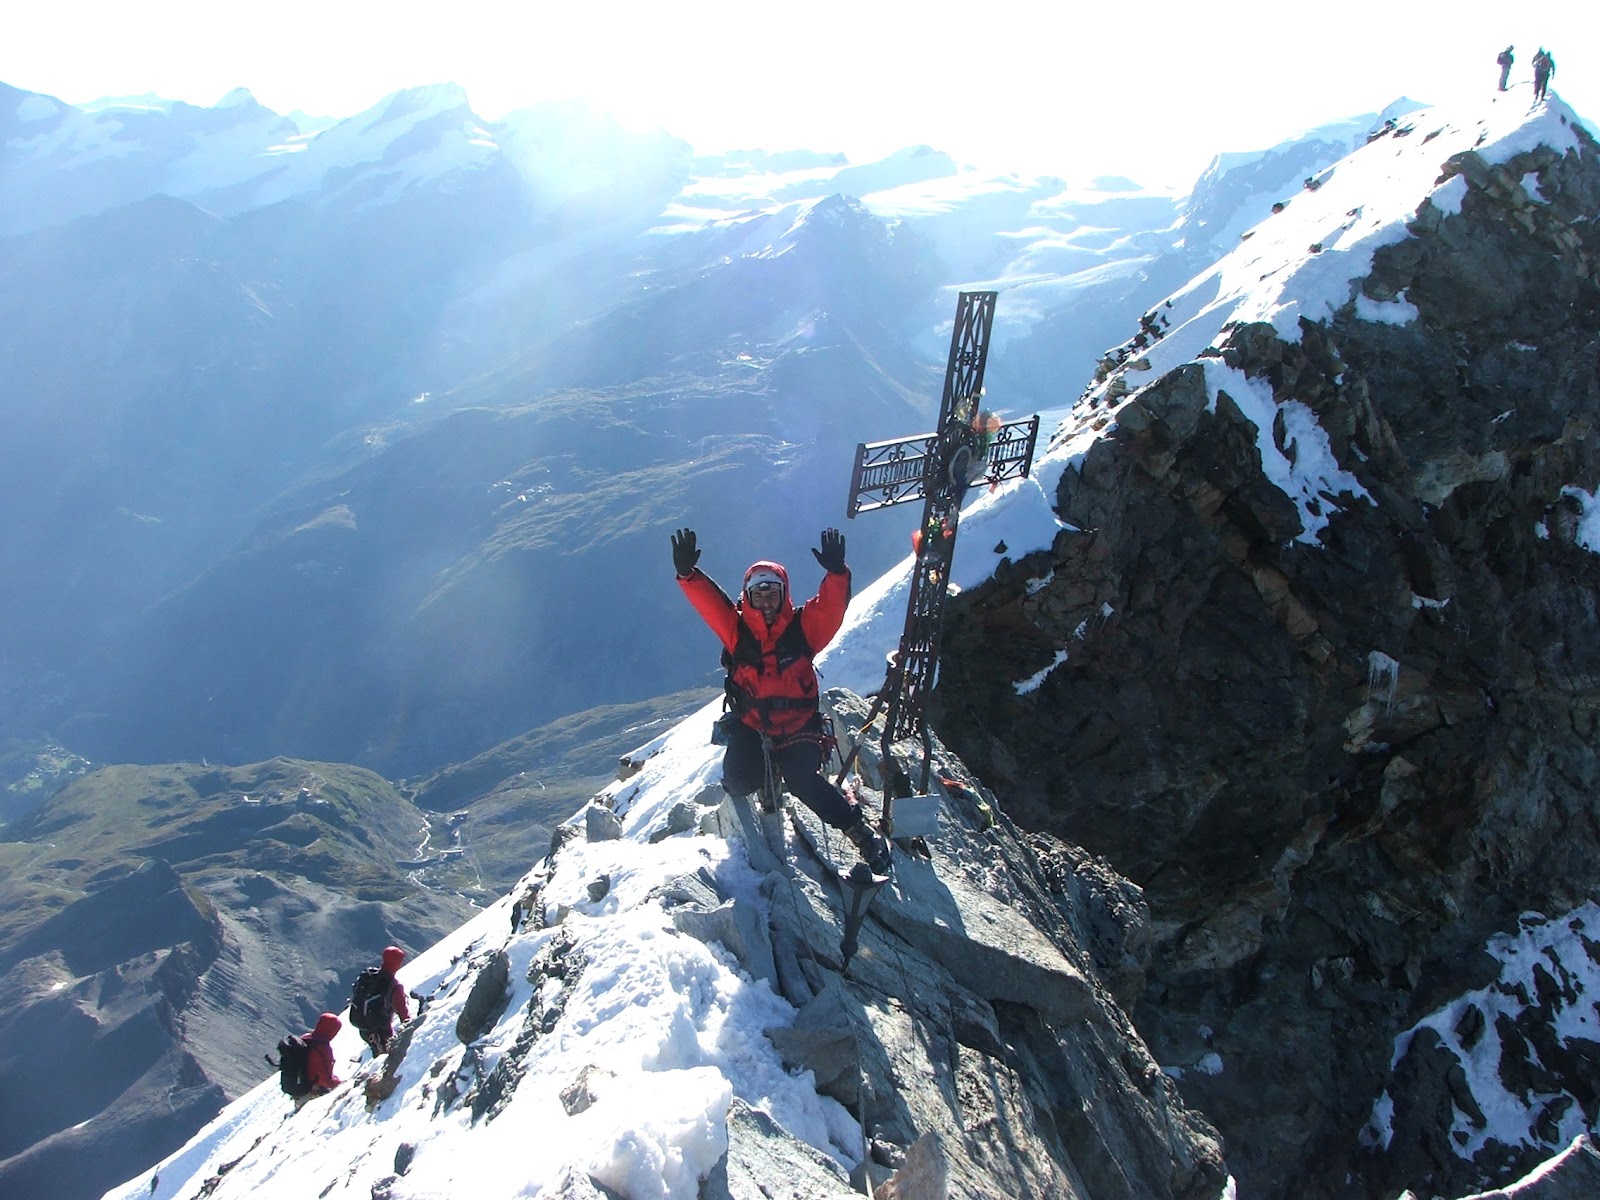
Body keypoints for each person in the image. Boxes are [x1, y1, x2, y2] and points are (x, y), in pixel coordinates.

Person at [672, 526, 891, 873]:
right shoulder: (736, 629)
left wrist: (837, 574)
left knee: (803, 779)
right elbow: (710, 604)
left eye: (772, 591)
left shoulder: (804, 627)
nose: (766, 598)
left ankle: (858, 830)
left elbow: (831, 607)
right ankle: (766, 774)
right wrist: (688, 575)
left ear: (784, 593)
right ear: (747, 596)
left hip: (798, 727)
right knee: (739, 782)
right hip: (752, 724)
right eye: (758, 592)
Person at [351, 945, 411, 1054]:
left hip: (362, 1025)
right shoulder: (394, 986)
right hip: (381, 1030)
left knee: (375, 1051)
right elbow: (403, 1013)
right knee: (387, 1054)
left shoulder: (368, 975)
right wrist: (409, 1025)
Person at [297, 1012, 343, 1108]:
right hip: (314, 1089)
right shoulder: (323, 1048)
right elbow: (324, 1078)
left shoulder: (306, 1038)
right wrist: (338, 1083)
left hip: (301, 1085)